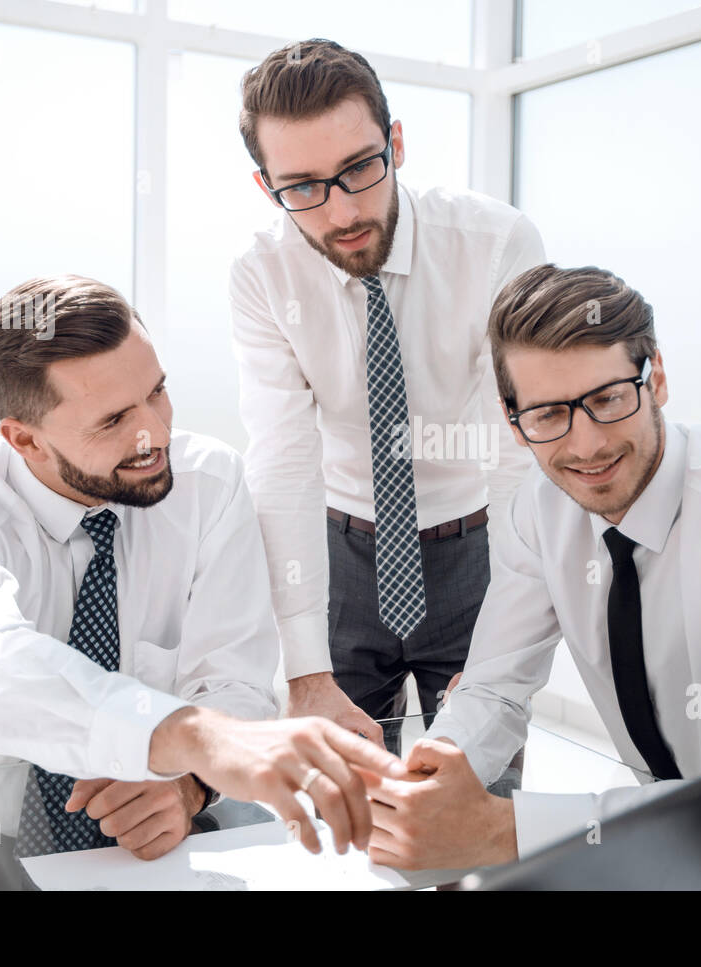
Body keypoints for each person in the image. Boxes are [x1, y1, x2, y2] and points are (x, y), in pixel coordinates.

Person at [0, 275, 405, 865]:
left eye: (157, 392)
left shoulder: (209, 486)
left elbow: (232, 680)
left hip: (147, 853)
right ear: (25, 440)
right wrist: (193, 739)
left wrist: (189, 783)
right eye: (113, 420)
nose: (155, 433)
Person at [360, 264, 701, 872]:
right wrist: (433, 773)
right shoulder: (540, 504)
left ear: (655, 377)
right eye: (549, 415)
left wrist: (500, 831)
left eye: (607, 399)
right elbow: (495, 688)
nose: (586, 447)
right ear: (513, 420)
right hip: (653, 842)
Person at [230, 39, 545, 747]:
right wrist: (303, 670)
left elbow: (519, 446)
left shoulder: (495, 242)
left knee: (476, 798)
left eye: (359, 169)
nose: (341, 212)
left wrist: (503, 631)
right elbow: (281, 459)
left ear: (395, 143)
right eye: (303, 187)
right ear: (267, 187)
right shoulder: (260, 274)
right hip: (337, 554)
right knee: (343, 806)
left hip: (477, 545)